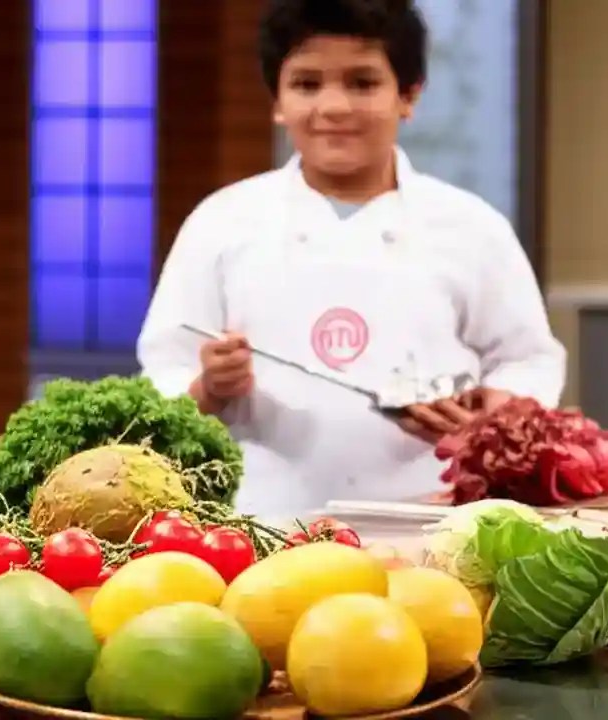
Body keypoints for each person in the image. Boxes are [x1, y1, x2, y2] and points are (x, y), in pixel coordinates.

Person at [136, 0, 565, 518]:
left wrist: (487, 416)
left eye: (362, 83)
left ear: (409, 95)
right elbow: (164, 364)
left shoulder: (471, 227)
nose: (334, 106)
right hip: (261, 521)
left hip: (434, 518)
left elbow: (528, 359)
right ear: (277, 100)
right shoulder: (222, 221)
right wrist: (208, 386)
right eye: (307, 84)